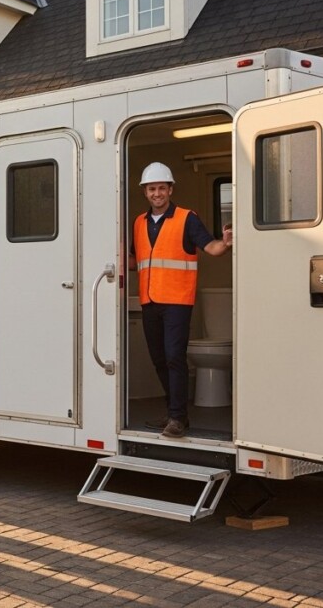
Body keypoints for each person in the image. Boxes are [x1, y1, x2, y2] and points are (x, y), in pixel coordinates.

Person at [130, 162, 233, 439]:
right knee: (159, 359)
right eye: (152, 189)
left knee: (174, 357)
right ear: (145, 192)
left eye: (162, 188)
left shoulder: (187, 218)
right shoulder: (139, 223)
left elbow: (211, 247)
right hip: (150, 300)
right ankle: (172, 412)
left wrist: (225, 243)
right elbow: (134, 260)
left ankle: (178, 418)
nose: (157, 193)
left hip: (177, 301)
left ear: (170, 189)